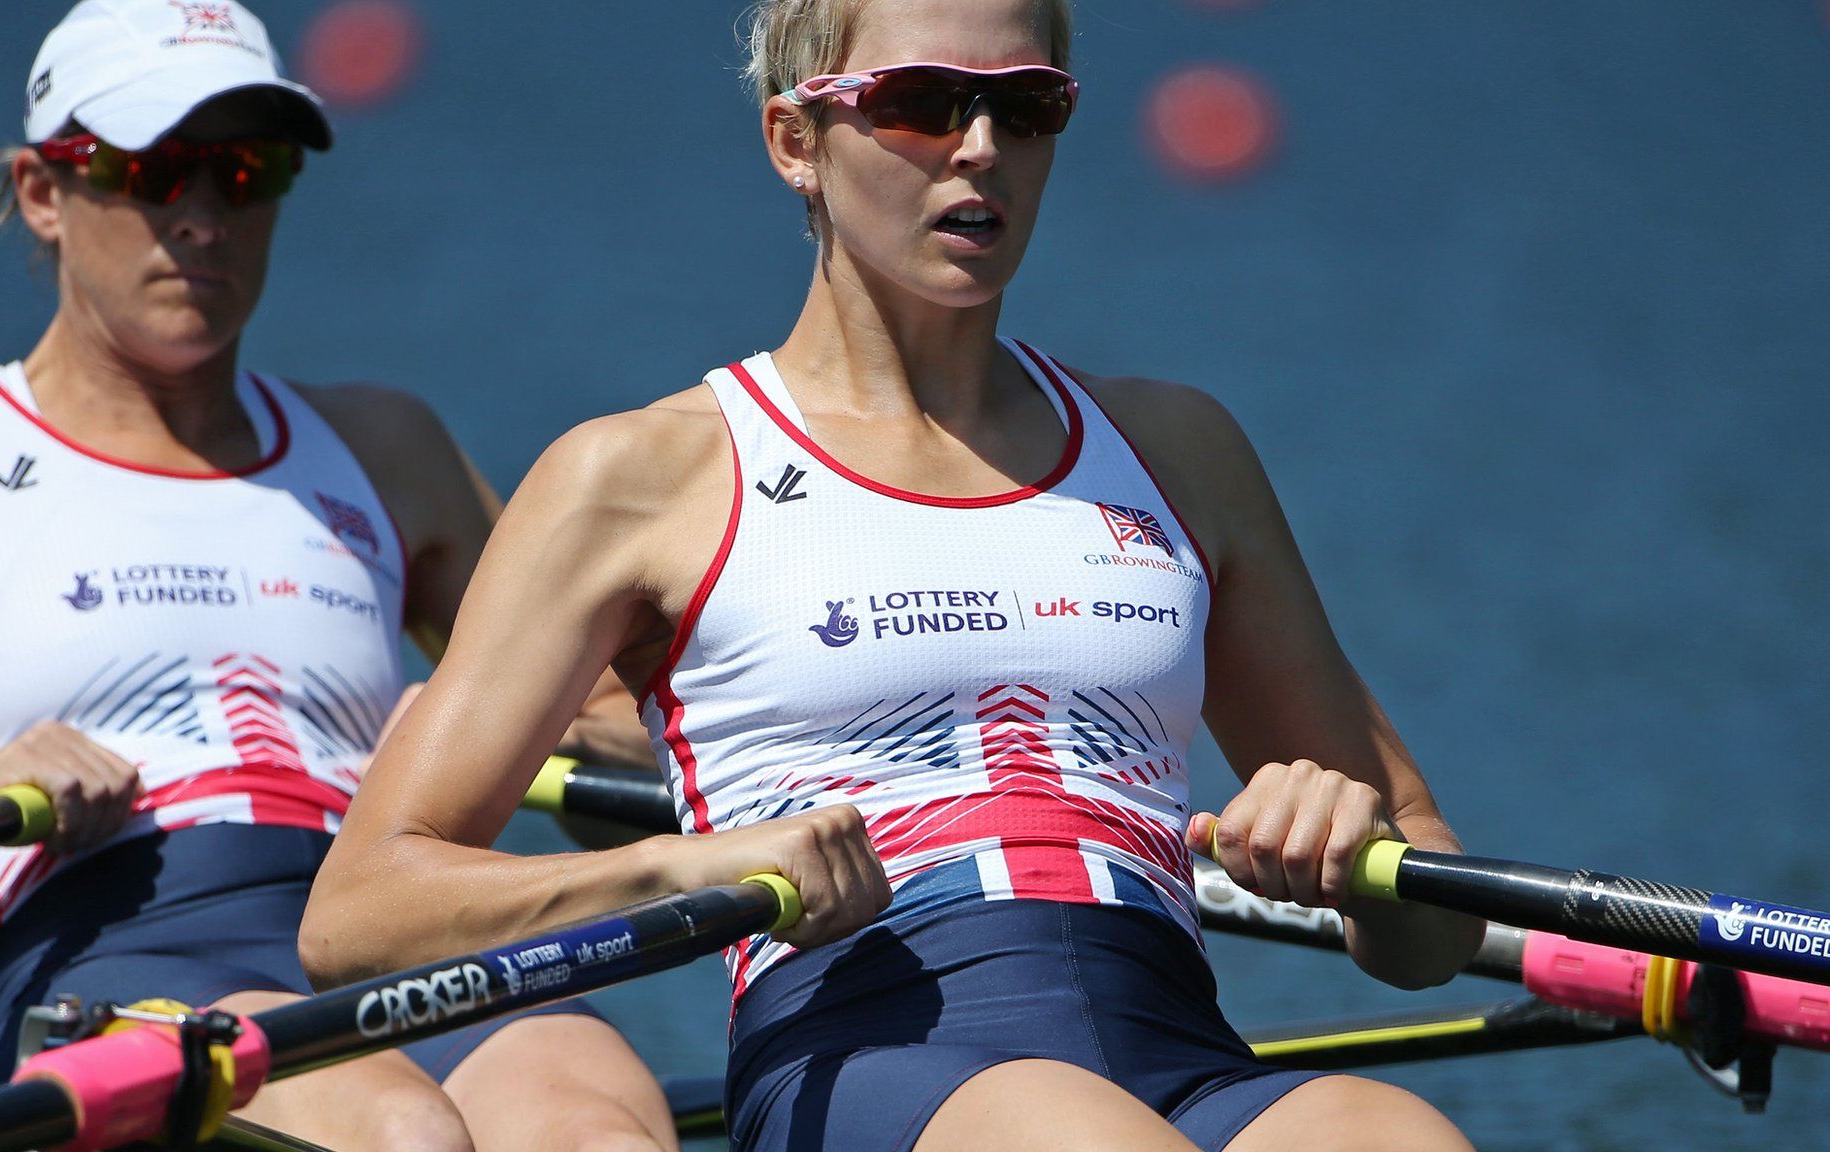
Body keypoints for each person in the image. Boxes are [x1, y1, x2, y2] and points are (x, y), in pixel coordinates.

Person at [303, 0, 1485, 1149]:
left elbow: (1434, 931)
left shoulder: (1179, 453)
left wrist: (1363, 851)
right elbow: (360, 917)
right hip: (866, 1059)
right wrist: (679, 869)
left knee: (1400, 1135)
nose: (979, 148)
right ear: (794, 142)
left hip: (1181, 1053)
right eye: (918, 103)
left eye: (1023, 106)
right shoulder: (641, 475)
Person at [0, 2, 674, 1149]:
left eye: (246, 172)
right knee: (400, 1132)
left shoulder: (384, 449)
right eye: (155, 172)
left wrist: (497, 734)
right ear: (44, 192)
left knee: (600, 1124)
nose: (202, 217)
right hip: (116, 958)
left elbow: (641, 734)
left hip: (398, 921)